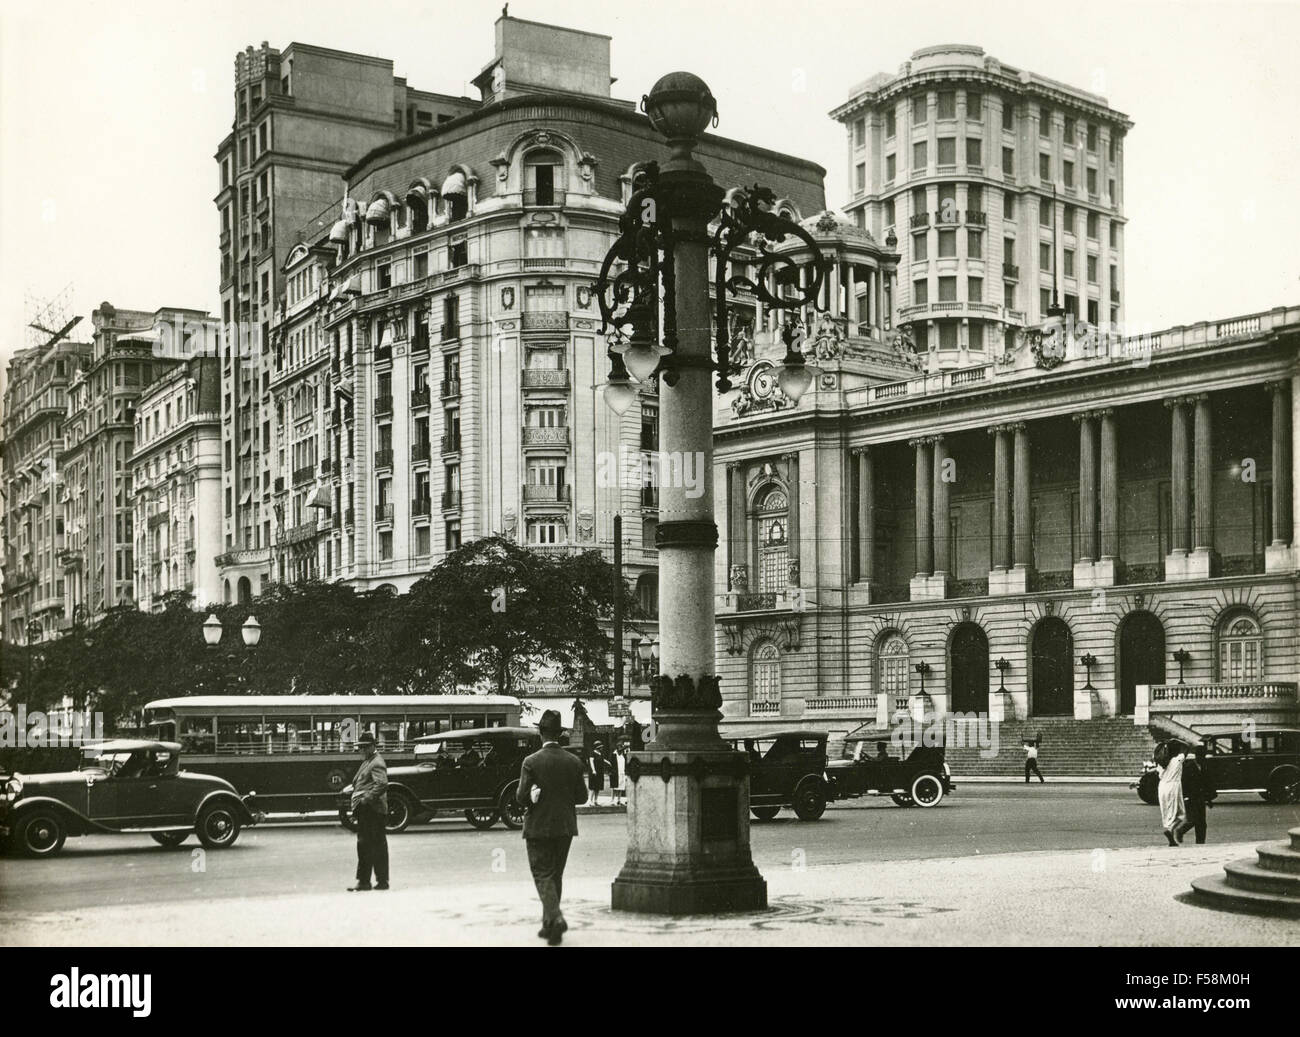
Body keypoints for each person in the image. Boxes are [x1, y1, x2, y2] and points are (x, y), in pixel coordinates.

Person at [517, 709, 589, 945]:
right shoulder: (574, 761)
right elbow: (582, 797)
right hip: (565, 827)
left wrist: (533, 797)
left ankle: (555, 919)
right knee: (555, 875)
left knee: (542, 874)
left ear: (540, 733)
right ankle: (549, 925)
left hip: (538, 826)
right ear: (559, 734)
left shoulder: (531, 762)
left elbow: (520, 797)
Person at [348, 732, 389, 891]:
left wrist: (366, 799)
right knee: (373, 845)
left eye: (364, 747)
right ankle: (378, 881)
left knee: (366, 844)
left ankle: (367, 881)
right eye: (361, 747)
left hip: (372, 809)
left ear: (372, 746)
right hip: (371, 809)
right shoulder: (369, 761)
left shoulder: (376, 762)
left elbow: (382, 784)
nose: (362, 750)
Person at [1176, 742, 1216, 844]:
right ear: (1196, 756)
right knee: (1193, 819)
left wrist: (1209, 799)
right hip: (1191, 798)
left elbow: (1208, 783)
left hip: (1201, 798)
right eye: (1199, 756)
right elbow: (1183, 783)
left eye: (1203, 756)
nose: (1201, 758)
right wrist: (1185, 797)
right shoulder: (1189, 767)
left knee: (1202, 822)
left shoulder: (1205, 766)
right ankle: (1180, 831)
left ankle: (1200, 842)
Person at [1156, 739, 1188, 847]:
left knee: (1168, 812)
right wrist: (1176, 740)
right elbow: (1187, 747)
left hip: (1162, 787)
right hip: (1173, 787)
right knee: (1181, 814)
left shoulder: (1161, 762)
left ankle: (1171, 837)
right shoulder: (1177, 760)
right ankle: (1170, 829)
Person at [587, 740, 607, 805]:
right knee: (593, 787)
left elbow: (602, 759)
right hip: (594, 772)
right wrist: (593, 770)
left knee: (598, 787)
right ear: (597, 747)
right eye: (600, 747)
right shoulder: (592, 753)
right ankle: (590, 800)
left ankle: (596, 800)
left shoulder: (600, 753)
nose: (602, 748)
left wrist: (607, 762)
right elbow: (591, 761)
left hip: (600, 772)